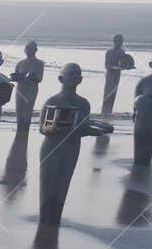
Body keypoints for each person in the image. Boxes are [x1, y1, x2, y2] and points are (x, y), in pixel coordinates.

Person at [37, 62, 111, 229]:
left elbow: (82, 129)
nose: (74, 77)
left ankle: (54, 222)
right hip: (52, 148)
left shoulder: (83, 104)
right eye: (71, 74)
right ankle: (45, 222)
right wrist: (55, 126)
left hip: (71, 148)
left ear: (81, 79)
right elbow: (42, 128)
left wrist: (94, 132)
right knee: (48, 185)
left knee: (63, 184)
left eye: (77, 74)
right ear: (61, 78)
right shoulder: (53, 101)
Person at [1, 41, 45, 182]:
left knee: (27, 112)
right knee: (19, 112)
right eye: (27, 48)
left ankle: (24, 133)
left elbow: (40, 78)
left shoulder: (38, 63)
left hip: (31, 88)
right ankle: (19, 134)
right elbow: (15, 76)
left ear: (35, 50)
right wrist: (16, 77)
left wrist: (32, 77)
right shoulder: (20, 63)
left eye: (31, 48)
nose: (28, 50)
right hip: (21, 88)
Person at [101, 34, 133, 115]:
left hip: (117, 75)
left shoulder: (122, 52)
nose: (120, 43)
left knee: (113, 94)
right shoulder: (109, 52)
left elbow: (124, 63)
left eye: (121, 41)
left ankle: (109, 112)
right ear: (114, 41)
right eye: (118, 41)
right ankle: (104, 112)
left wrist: (129, 67)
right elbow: (107, 66)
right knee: (108, 93)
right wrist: (117, 68)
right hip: (110, 76)